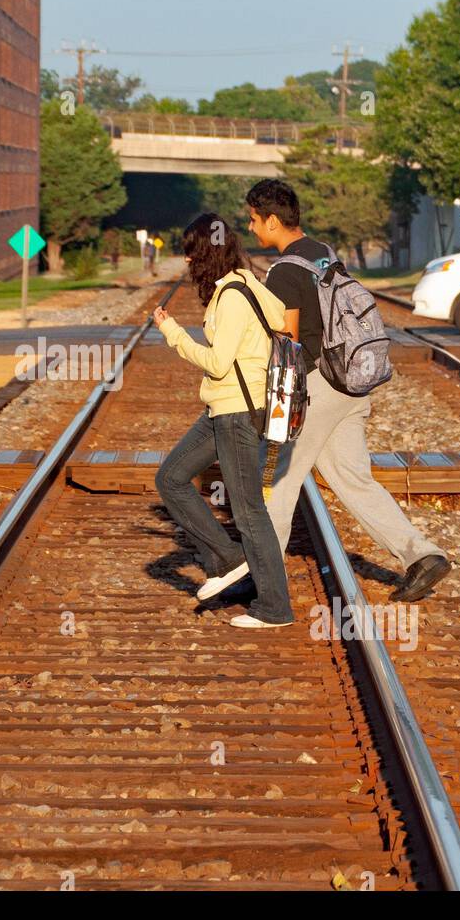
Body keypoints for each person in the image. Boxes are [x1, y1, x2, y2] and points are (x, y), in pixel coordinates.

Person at [246, 178, 451, 603]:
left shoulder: (284, 270)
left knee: (280, 482)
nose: (250, 228)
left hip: (316, 388)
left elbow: (288, 339)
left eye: (252, 219)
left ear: (270, 220)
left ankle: (264, 585)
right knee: (355, 480)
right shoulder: (324, 253)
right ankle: (422, 556)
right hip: (351, 383)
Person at [153, 213, 295, 629]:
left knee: (249, 510)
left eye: (190, 252)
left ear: (207, 252)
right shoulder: (245, 286)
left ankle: (274, 608)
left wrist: (173, 333)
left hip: (236, 412)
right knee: (171, 478)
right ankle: (230, 559)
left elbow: (218, 363)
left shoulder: (233, 296)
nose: (186, 261)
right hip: (223, 409)